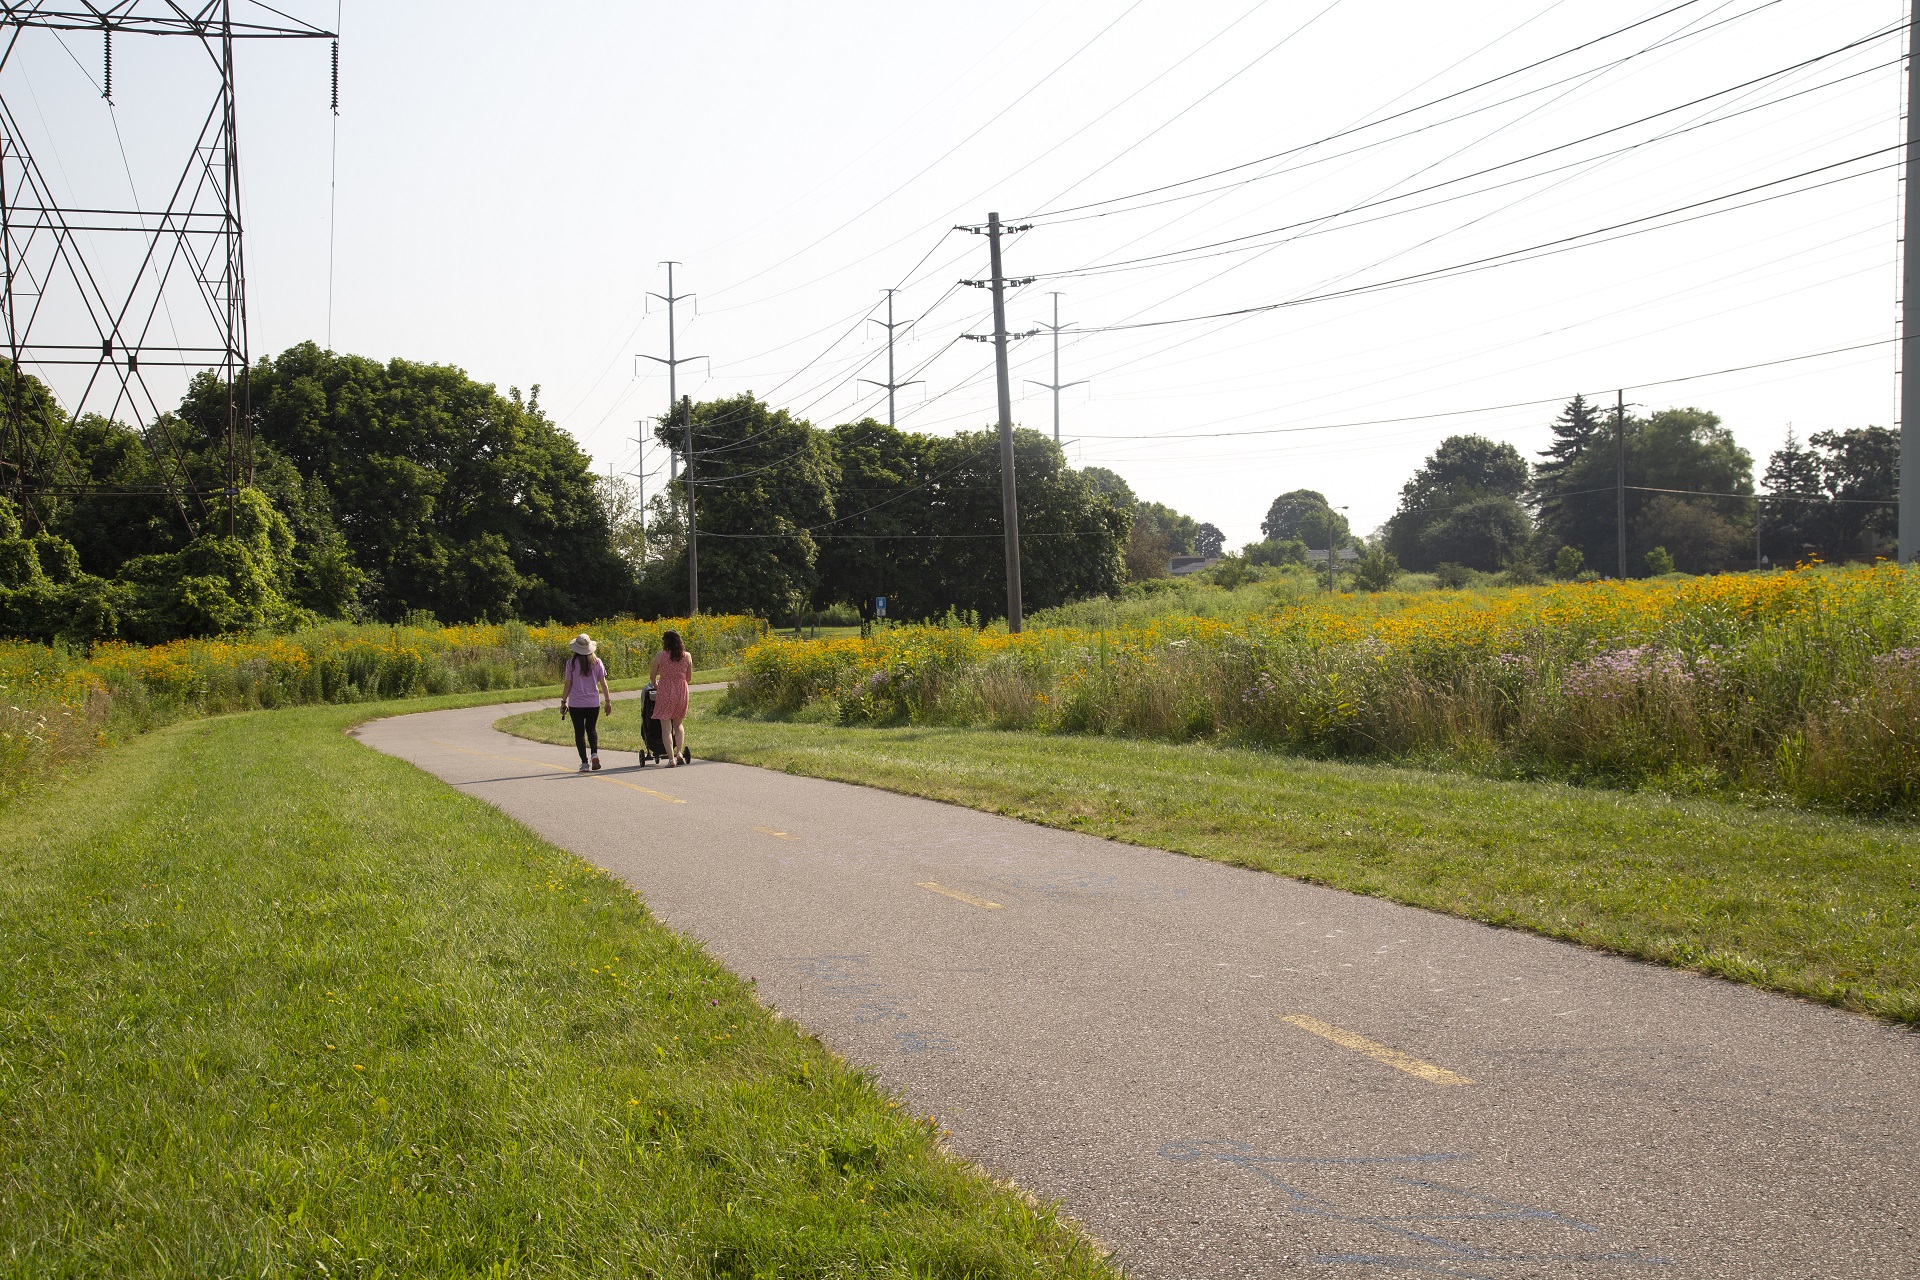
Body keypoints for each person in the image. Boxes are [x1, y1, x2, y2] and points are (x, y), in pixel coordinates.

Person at [560, 633, 612, 772]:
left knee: (579, 732)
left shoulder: (571, 663)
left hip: (576, 703)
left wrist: (563, 701)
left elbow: (568, 684)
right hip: (593, 702)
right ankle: (594, 754)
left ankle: (584, 763)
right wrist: (608, 701)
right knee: (591, 729)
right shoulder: (597, 662)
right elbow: (603, 683)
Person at [649, 628, 693, 766]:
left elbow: (652, 676)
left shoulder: (660, 656)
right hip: (681, 691)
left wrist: (656, 685)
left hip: (665, 691)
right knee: (678, 724)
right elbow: (689, 678)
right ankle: (679, 752)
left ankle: (671, 758)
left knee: (666, 727)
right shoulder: (687, 656)